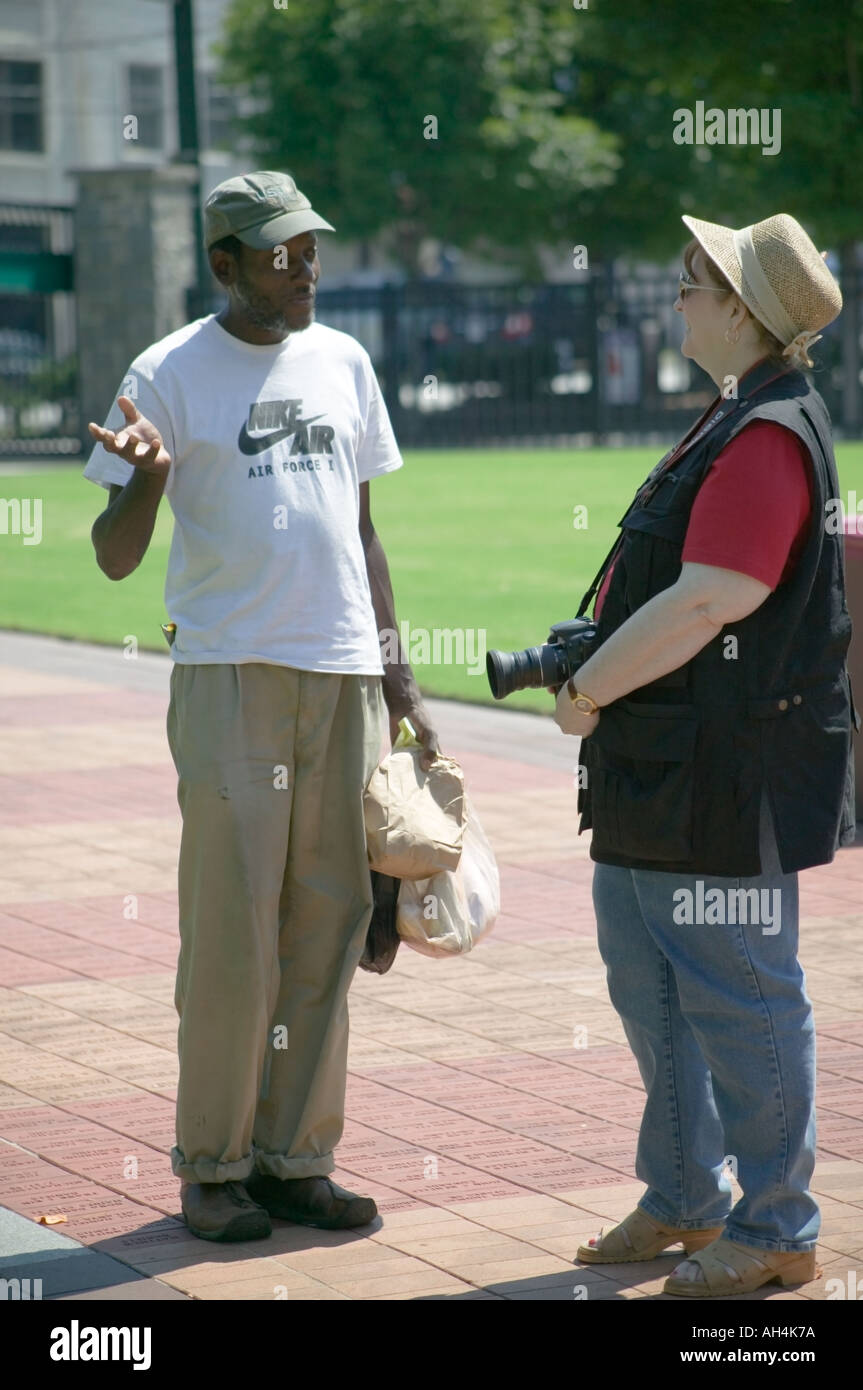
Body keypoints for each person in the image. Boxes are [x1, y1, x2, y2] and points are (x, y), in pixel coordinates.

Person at [84, 171, 437, 1242]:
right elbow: (111, 556)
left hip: (341, 677)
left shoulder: (344, 360)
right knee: (234, 934)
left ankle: (296, 1158)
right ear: (223, 263)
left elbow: (360, 532)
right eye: (281, 256)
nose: (305, 271)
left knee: (329, 924)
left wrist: (401, 679)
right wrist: (144, 479)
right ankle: (213, 1164)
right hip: (231, 675)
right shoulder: (163, 374)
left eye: (311, 251)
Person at [553, 213, 857, 1297]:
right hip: (668, 770)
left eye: (690, 283)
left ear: (742, 311)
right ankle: (684, 1196)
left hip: (725, 779)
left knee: (741, 999)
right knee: (651, 989)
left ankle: (777, 1225)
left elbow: (711, 600)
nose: (675, 296)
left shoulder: (767, 433)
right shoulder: (734, 417)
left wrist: (586, 687)